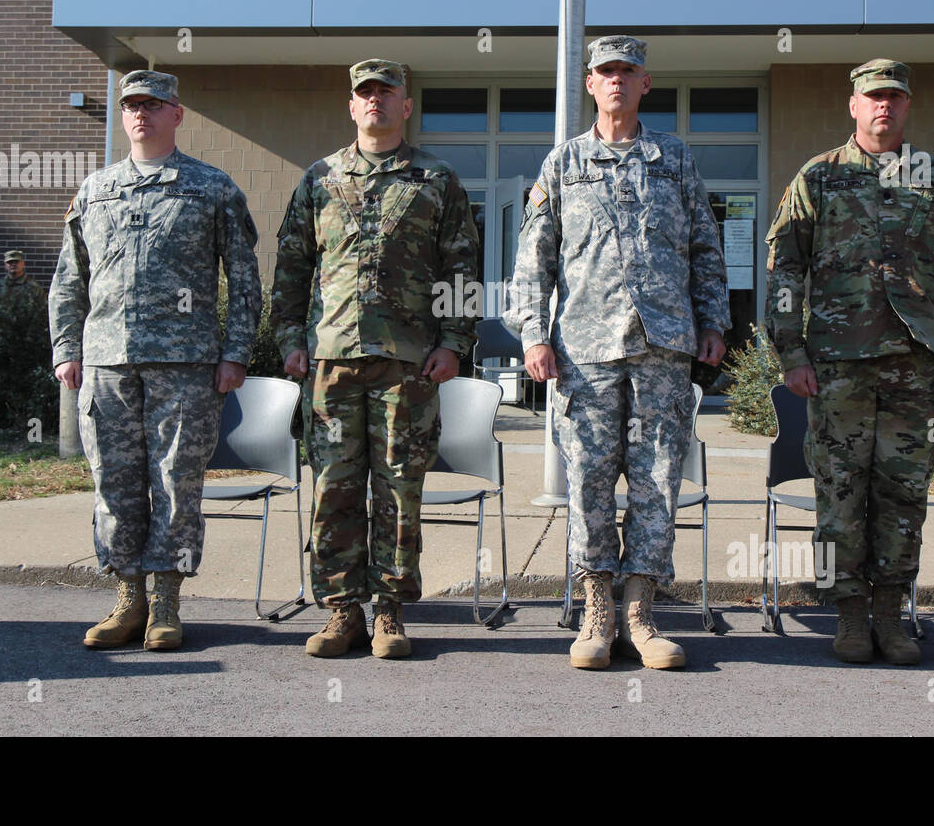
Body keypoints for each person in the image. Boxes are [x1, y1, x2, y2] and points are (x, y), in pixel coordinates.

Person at [504, 35, 730, 670]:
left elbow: (705, 252)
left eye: (627, 71)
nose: (616, 81)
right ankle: (596, 613)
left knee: (658, 480)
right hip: (586, 350)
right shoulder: (563, 165)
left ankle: (642, 614)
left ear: (645, 83)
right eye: (605, 71)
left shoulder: (674, 161)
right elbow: (533, 262)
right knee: (589, 482)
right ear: (589, 84)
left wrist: (713, 322)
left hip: (664, 348)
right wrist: (533, 335)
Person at [763, 58, 934, 666]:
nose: (883, 106)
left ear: (908, 106)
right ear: (854, 106)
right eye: (873, 97)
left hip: (916, 366)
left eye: (894, 96)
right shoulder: (818, 178)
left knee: (903, 492)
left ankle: (892, 614)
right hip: (838, 364)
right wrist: (790, 353)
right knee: (839, 490)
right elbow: (785, 273)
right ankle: (850, 615)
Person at [270, 58, 481, 659]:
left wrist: (454, 344)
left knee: (398, 488)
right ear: (351, 106)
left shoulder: (435, 179)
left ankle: (389, 610)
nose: (376, 103)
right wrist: (289, 339)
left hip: (408, 363)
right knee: (334, 486)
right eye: (365, 94)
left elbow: (461, 268)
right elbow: (291, 268)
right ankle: (342, 611)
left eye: (387, 94)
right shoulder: (319, 178)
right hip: (331, 360)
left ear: (406, 106)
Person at [49, 69, 262, 652]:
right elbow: (70, 280)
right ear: (123, 117)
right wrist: (66, 349)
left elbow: (243, 280)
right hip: (108, 364)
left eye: (153, 104)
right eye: (132, 105)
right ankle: (127, 595)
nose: (141, 114)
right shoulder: (95, 190)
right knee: (114, 485)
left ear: (177, 114)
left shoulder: (211, 187)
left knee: (176, 482)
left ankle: (166, 600)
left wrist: (235, 352)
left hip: (185, 365)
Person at [0, 250, 46, 319]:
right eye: (10, 262)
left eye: (16, 262)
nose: (13, 264)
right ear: (5, 265)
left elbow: (42, 312)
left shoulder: (34, 288)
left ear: (23, 264)